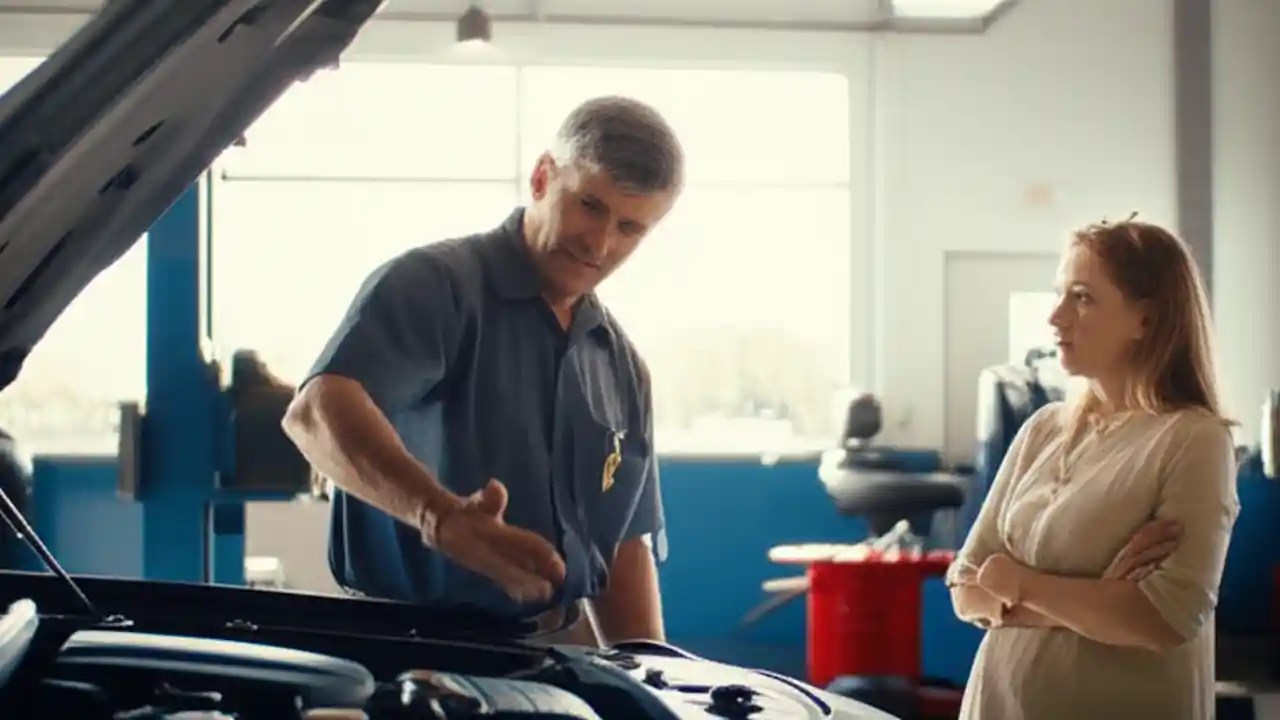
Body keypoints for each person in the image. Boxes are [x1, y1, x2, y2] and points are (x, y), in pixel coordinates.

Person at [282, 96, 683, 645]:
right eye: (589, 205)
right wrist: (437, 516)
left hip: (555, 659)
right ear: (543, 177)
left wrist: (652, 678)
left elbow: (624, 547)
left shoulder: (620, 365)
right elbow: (315, 413)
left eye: (630, 227)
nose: (600, 242)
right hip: (407, 651)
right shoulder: (436, 288)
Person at [946, 217, 1239, 719]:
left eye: (1082, 297)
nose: (1056, 317)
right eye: (1059, 294)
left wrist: (1022, 584)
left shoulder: (1195, 440)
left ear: (1144, 320)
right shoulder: (1042, 429)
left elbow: (1161, 619)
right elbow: (965, 586)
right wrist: (1099, 599)